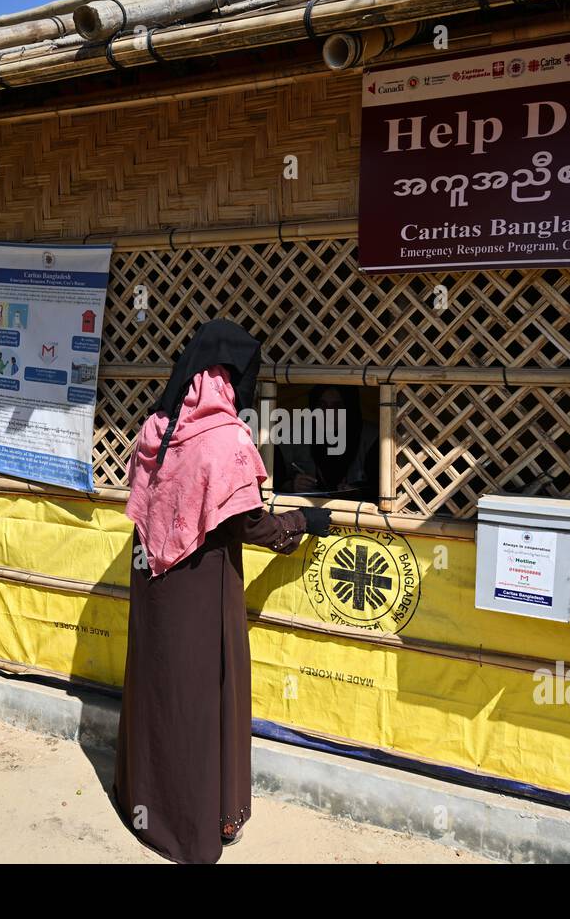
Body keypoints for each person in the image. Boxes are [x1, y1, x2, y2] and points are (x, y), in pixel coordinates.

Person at [115, 319, 332, 864]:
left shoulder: (157, 427)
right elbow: (249, 526)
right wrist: (303, 523)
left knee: (157, 689)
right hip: (201, 583)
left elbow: (149, 510)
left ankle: (145, 807)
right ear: (230, 379)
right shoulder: (226, 439)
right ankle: (196, 827)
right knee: (199, 698)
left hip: (153, 581)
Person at [276, 384, 379, 499]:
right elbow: (272, 479)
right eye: (322, 405)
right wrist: (291, 485)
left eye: (337, 406)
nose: (328, 413)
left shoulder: (372, 438)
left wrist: (357, 491)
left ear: (350, 407)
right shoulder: (292, 436)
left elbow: (381, 487)